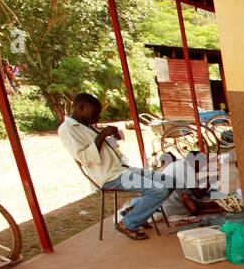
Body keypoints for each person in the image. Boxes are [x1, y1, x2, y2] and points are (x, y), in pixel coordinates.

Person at [58, 93, 184, 240]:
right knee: (159, 190)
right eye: (95, 113)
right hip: (108, 176)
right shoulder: (67, 129)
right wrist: (102, 135)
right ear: (81, 107)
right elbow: (85, 158)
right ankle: (128, 223)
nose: (98, 117)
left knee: (170, 181)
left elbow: (104, 150)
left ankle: (135, 211)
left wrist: (111, 139)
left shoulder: (85, 125)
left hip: (121, 170)